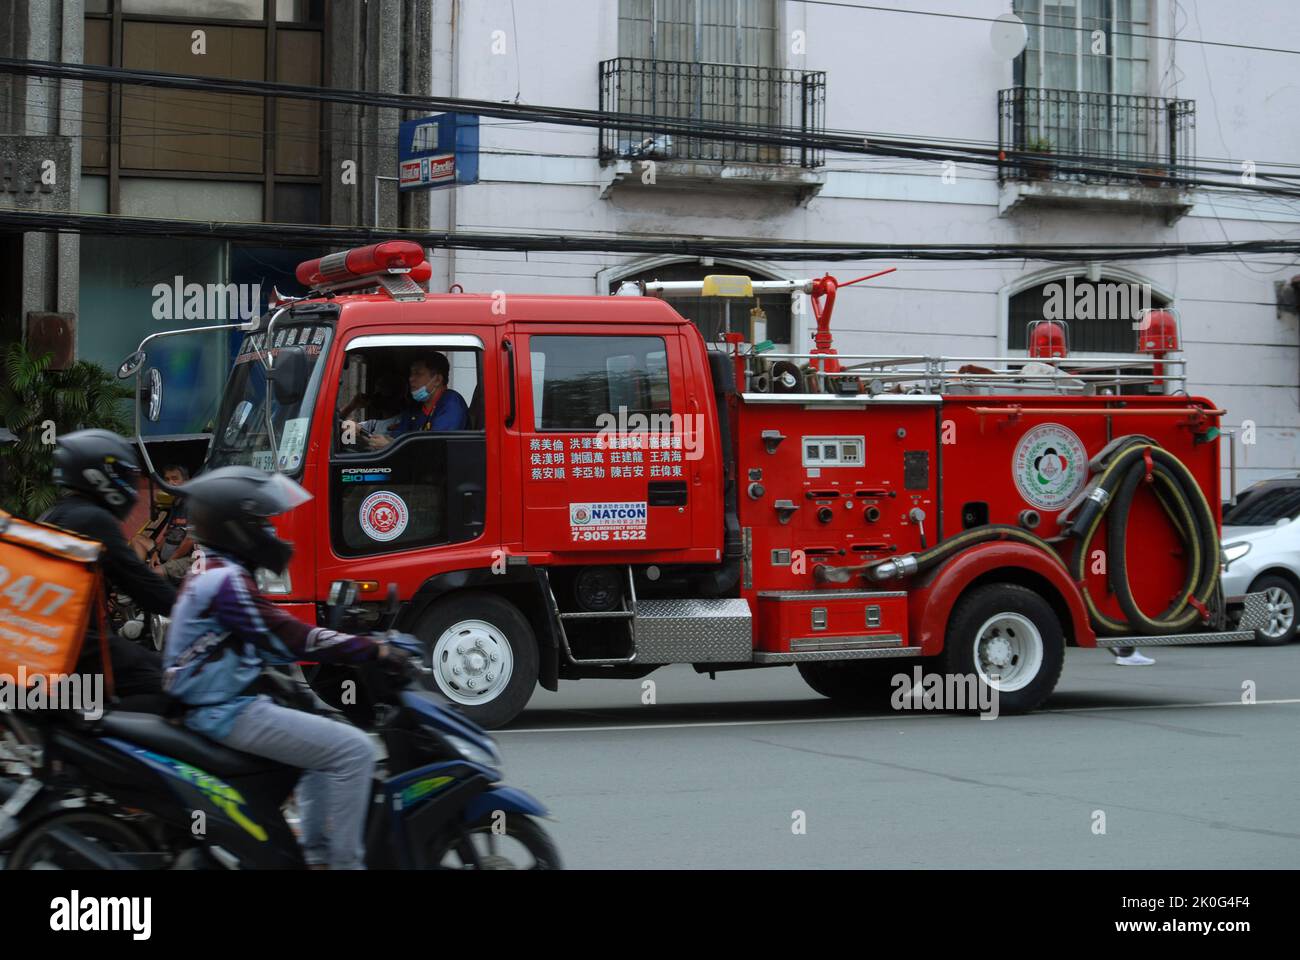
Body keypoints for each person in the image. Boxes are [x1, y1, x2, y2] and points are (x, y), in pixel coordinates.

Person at [161, 466, 413, 869]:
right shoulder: (225, 581)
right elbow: (291, 638)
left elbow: (269, 641)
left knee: (318, 735)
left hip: (219, 702)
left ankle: (315, 855)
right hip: (225, 711)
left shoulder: (213, 571)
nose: (271, 530)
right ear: (236, 527)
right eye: (260, 521)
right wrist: (372, 650)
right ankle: (347, 864)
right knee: (355, 751)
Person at [39, 429, 174, 697]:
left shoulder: (57, 513)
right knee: (173, 682)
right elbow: (139, 581)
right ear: (99, 476)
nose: (131, 485)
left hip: (52, 645)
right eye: (124, 475)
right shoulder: (91, 520)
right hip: (78, 651)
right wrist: (192, 610)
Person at [364, 353, 468, 450]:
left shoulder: (451, 405)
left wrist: (390, 446)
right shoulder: (416, 408)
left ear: (437, 380)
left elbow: (436, 449)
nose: (411, 379)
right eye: (411, 374)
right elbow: (398, 436)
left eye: (418, 374)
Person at [129, 463, 195, 584]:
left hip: (186, 558)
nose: (170, 483)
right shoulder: (176, 503)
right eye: (167, 479)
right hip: (167, 552)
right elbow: (168, 533)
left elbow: (189, 541)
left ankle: (142, 582)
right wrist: (156, 552)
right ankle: (140, 573)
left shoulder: (192, 503)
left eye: (175, 479)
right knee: (137, 540)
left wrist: (170, 561)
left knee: (152, 575)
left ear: (186, 481)